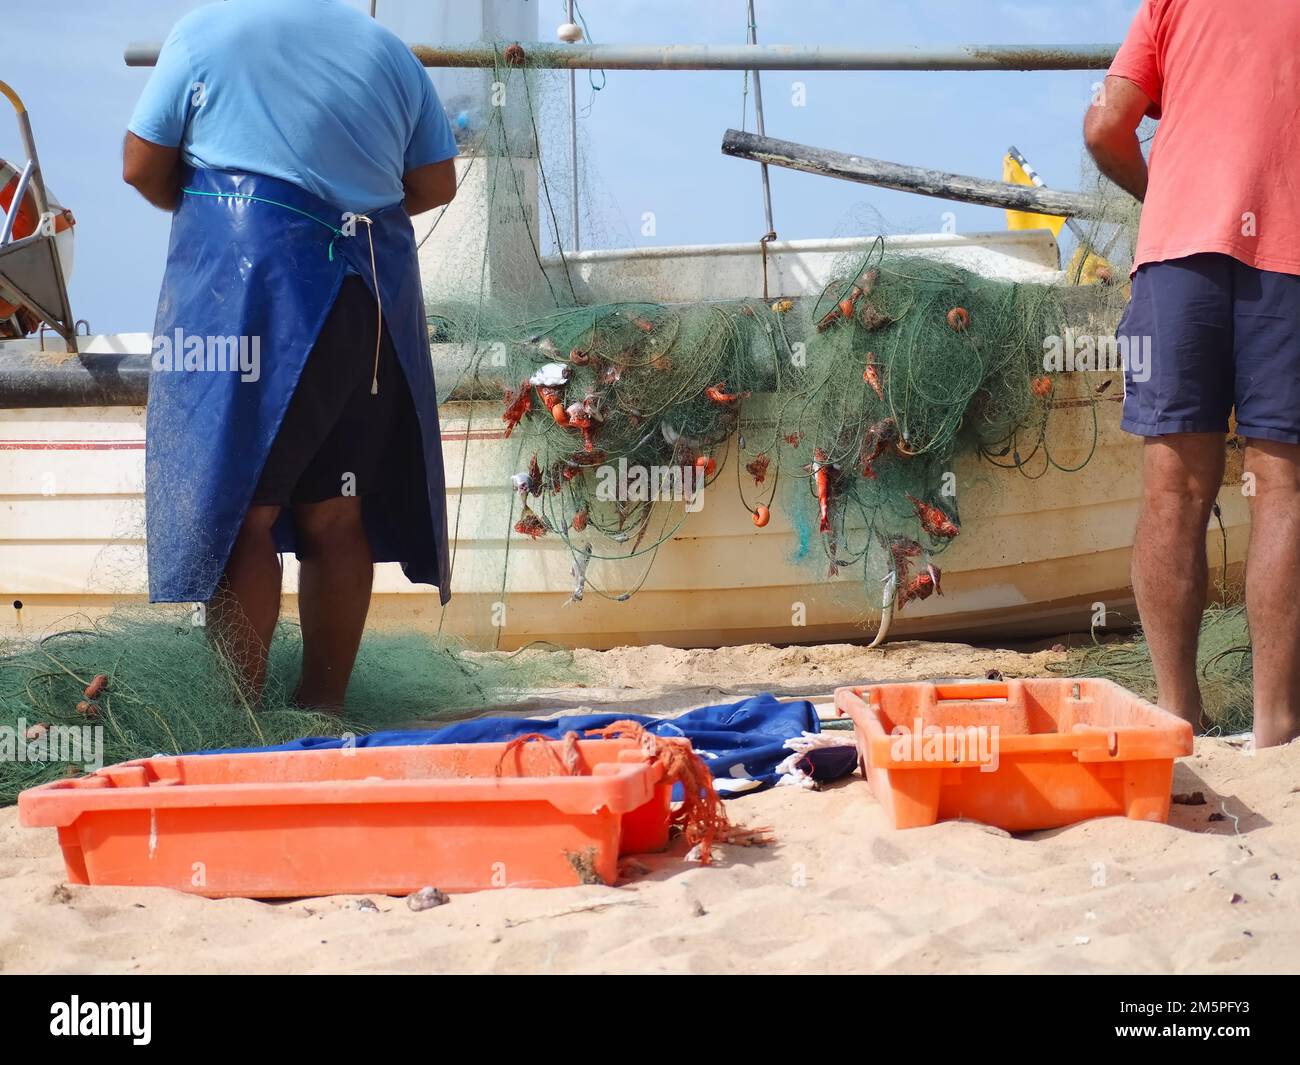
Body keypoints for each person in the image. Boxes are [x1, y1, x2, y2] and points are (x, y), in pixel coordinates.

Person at [123, 0, 458, 709]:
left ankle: (240, 714)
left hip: (255, 297)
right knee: (336, 510)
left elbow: (140, 165)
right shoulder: (386, 50)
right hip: (364, 305)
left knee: (244, 511)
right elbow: (436, 183)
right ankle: (322, 708)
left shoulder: (205, 32)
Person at [1084, 0, 1300, 747]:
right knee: (1283, 488)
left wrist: (1170, 200)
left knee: (1173, 489)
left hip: (1179, 255)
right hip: (1291, 255)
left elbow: (1105, 124)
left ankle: (1178, 717)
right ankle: (1276, 726)